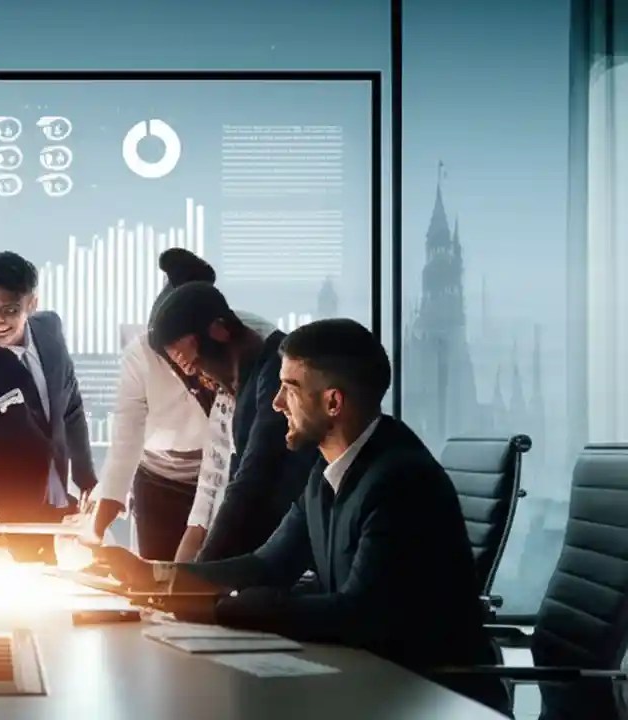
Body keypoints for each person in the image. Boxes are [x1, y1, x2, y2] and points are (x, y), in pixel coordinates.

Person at [96, 319, 509, 714]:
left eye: (289, 389)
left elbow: (356, 615)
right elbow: (267, 565)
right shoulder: (327, 472)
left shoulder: (399, 481)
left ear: (333, 402)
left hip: (425, 697)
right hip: (370, 682)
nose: (276, 404)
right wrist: (154, 577)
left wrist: (222, 611)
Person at [90, 249, 275, 561]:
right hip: (161, 476)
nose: (188, 369)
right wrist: (100, 521)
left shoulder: (258, 357)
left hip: (240, 483)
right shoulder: (144, 353)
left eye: (189, 356)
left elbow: (242, 477)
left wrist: (194, 567)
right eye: (172, 354)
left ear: (218, 330)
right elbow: (127, 438)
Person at [148, 281, 317, 562]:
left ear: (220, 330)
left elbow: (253, 479)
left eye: (197, 364)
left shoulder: (276, 372)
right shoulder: (242, 388)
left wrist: (200, 572)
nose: (203, 378)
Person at [0, 251, 98, 563]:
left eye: (10, 309)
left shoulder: (50, 330)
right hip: (14, 516)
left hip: (64, 506)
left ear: (32, 304)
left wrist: (87, 480)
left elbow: (71, 407)